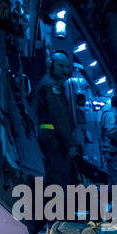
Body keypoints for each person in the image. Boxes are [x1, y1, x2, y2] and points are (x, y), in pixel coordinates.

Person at [34, 50, 79, 188]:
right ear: (50, 65)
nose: (65, 70)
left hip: (51, 140)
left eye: (67, 67)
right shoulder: (51, 87)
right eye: (60, 66)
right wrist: (70, 144)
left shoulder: (51, 85)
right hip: (55, 142)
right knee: (57, 182)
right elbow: (59, 118)